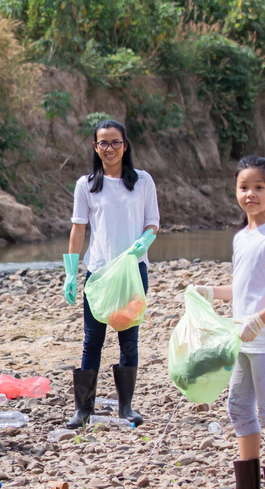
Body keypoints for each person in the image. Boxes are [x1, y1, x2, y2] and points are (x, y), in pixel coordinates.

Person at [191, 155, 265, 489]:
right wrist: (210, 292)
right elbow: (242, 288)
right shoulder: (242, 237)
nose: (250, 194)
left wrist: (260, 319)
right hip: (242, 338)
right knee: (238, 407)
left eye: (259, 187)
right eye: (243, 187)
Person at [62, 119, 160, 428]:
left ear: (125, 146)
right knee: (93, 340)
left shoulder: (143, 181)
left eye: (115, 142)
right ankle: (83, 410)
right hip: (100, 272)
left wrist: (146, 240)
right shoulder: (87, 184)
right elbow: (79, 228)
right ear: (95, 147)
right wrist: (71, 272)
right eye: (103, 143)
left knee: (128, 339)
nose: (110, 148)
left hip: (132, 270)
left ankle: (126, 407)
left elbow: (153, 221)